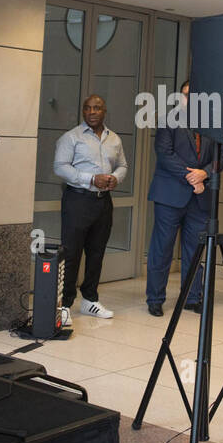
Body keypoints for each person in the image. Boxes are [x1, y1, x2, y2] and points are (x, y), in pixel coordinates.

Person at [146, 81, 223, 316]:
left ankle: (192, 297)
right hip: (170, 195)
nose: (188, 100)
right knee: (162, 250)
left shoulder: (215, 123)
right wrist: (192, 176)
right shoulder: (168, 119)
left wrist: (205, 174)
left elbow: (221, 156)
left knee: (194, 250)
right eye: (185, 95)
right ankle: (155, 299)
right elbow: (164, 154)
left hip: (200, 198)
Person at [54, 94, 127, 319]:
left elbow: (123, 165)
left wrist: (115, 178)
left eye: (97, 108)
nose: (92, 112)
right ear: (83, 111)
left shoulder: (114, 138)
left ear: (104, 111)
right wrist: (90, 179)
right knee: (71, 252)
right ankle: (64, 304)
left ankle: (90, 299)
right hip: (78, 200)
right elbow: (60, 167)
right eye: (87, 108)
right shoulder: (71, 137)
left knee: (97, 252)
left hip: (103, 202)